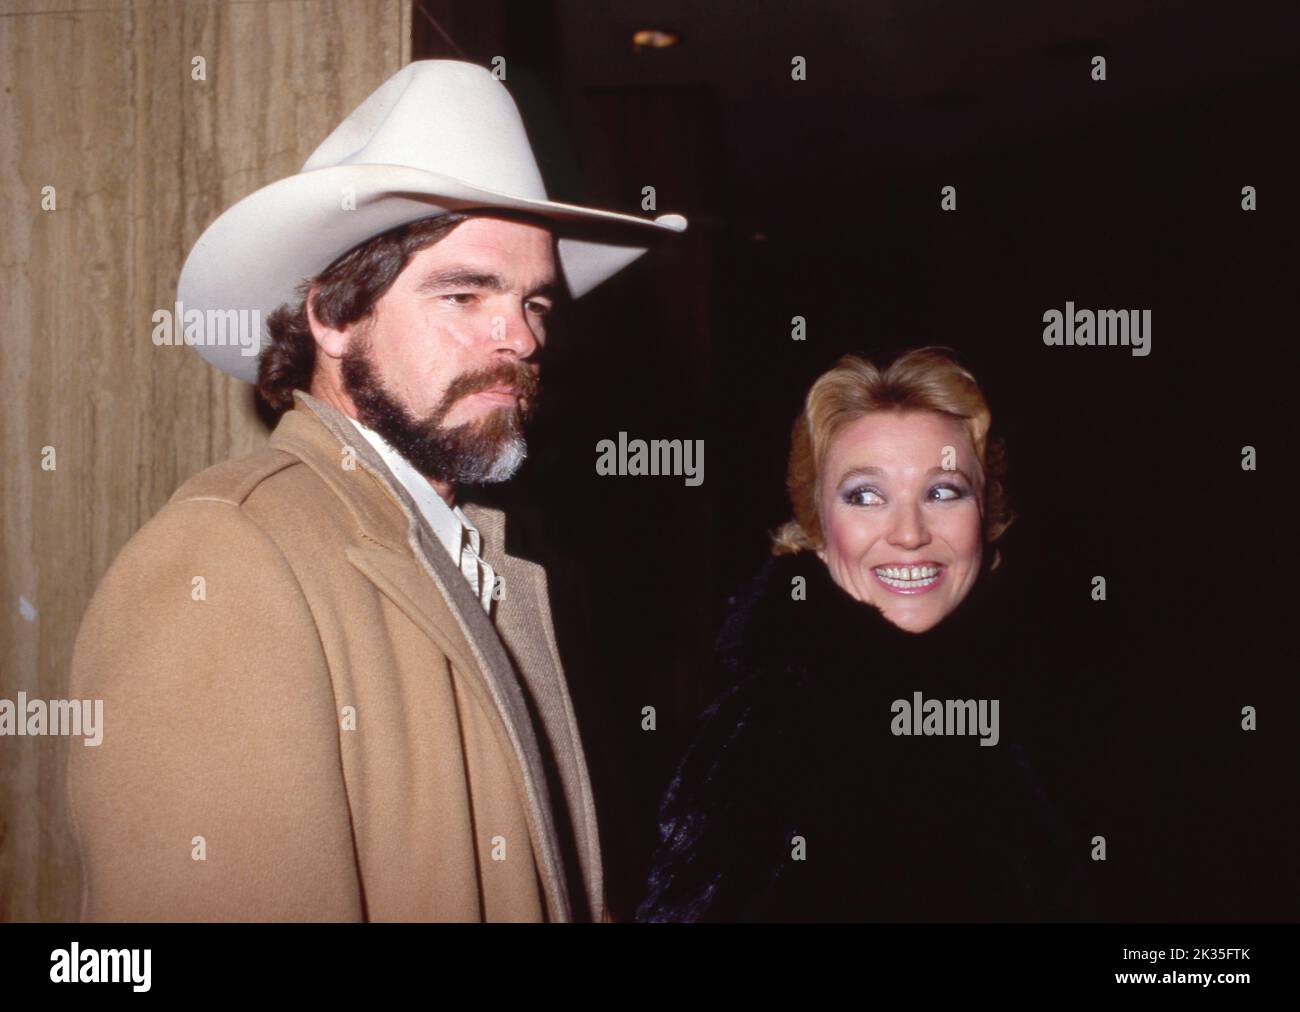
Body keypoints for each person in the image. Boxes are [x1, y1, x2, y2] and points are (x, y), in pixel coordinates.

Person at [65, 60, 686, 922]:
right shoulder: (227, 555)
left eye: (536, 304)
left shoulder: (473, 548)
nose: (520, 337)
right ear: (333, 314)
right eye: (463, 294)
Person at [638, 347, 1091, 922]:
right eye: (866, 496)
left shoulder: (1024, 711)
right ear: (817, 528)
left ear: (986, 512)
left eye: (943, 491)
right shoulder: (771, 725)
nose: (909, 533)